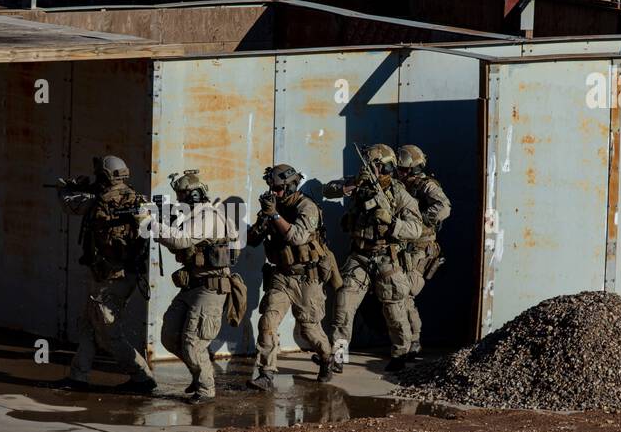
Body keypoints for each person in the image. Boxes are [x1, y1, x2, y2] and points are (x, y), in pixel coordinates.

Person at [56, 155, 157, 393]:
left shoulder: (96, 200)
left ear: (104, 175)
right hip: (126, 275)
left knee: (108, 334)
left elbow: (68, 203)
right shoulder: (140, 200)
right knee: (89, 326)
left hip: (108, 278)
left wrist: (66, 187)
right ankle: (78, 377)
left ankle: (142, 378)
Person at [323, 143, 424, 373]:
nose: (368, 169)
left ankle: (401, 354)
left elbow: (416, 229)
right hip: (359, 256)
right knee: (343, 306)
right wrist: (351, 184)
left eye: (373, 165)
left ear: (384, 166)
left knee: (395, 310)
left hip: (386, 257)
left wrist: (392, 222)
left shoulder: (398, 193)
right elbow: (328, 190)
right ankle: (338, 356)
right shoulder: (359, 184)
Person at [245, 163, 334, 390]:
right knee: (267, 322)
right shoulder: (273, 206)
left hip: (306, 277)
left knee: (310, 329)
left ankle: (327, 357)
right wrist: (263, 220)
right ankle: (266, 373)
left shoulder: (307, 206)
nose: (275, 193)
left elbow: (297, 237)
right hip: (281, 276)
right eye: (272, 189)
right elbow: (253, 240)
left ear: (292, 185)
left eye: (279, 189)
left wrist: (274, 214)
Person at [150, 170, 237, 403]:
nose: (179, 199)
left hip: (211, 288)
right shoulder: (192, 216)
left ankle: (206, 391)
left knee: (192, 343)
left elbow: (182, 240)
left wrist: (153, 224)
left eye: (182, 194)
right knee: (170, 336)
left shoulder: (208, 216)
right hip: (192, 286)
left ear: (195, 194)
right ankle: (200, 371)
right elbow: (180, 247)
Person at [395, 144, 451, 358]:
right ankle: (406, 340)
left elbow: (444, 207)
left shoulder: (426, 185)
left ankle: (414, 340)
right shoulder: (400, 186)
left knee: (406, 294)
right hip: (402, 248)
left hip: (419, 250)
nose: (400, 173)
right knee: (399, 295)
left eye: (404, 169)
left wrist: (420, 220)